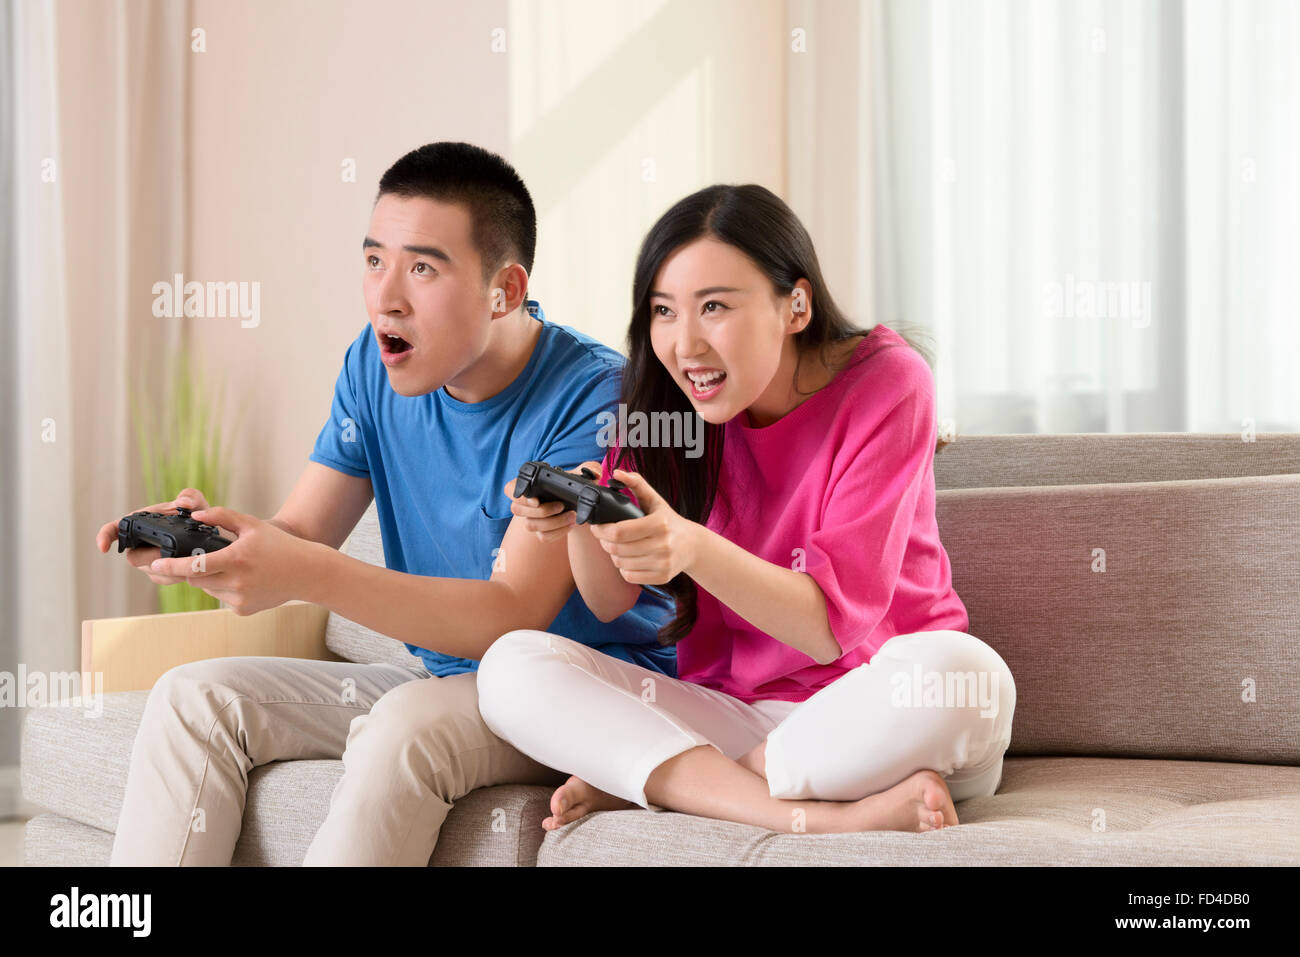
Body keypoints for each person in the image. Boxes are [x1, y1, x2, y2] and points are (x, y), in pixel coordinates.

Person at [95, 142, 675, 865]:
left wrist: (306, 574)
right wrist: (217, 540)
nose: (386, 296)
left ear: (505, 288)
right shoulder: (373, 364)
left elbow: (513, 610)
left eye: (423, 268)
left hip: (569, 687)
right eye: (375, 260)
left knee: (406, 725)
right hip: (442, 675)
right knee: (192, 697)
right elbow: (304, 531)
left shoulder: (593, 395)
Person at [476, 183, 1016, 835]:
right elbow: (608, 600)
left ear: (795, 305)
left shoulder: (887, 382)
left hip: (878, 708)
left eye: (714, 308)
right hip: (736, 708)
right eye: (665, 311)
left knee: (970, 678)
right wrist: (586, 520)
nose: (686, 344)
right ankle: (807, 812)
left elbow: (827, 627)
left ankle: (690, 783)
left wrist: (691, 546)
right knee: (511, 667)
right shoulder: (664, 407)